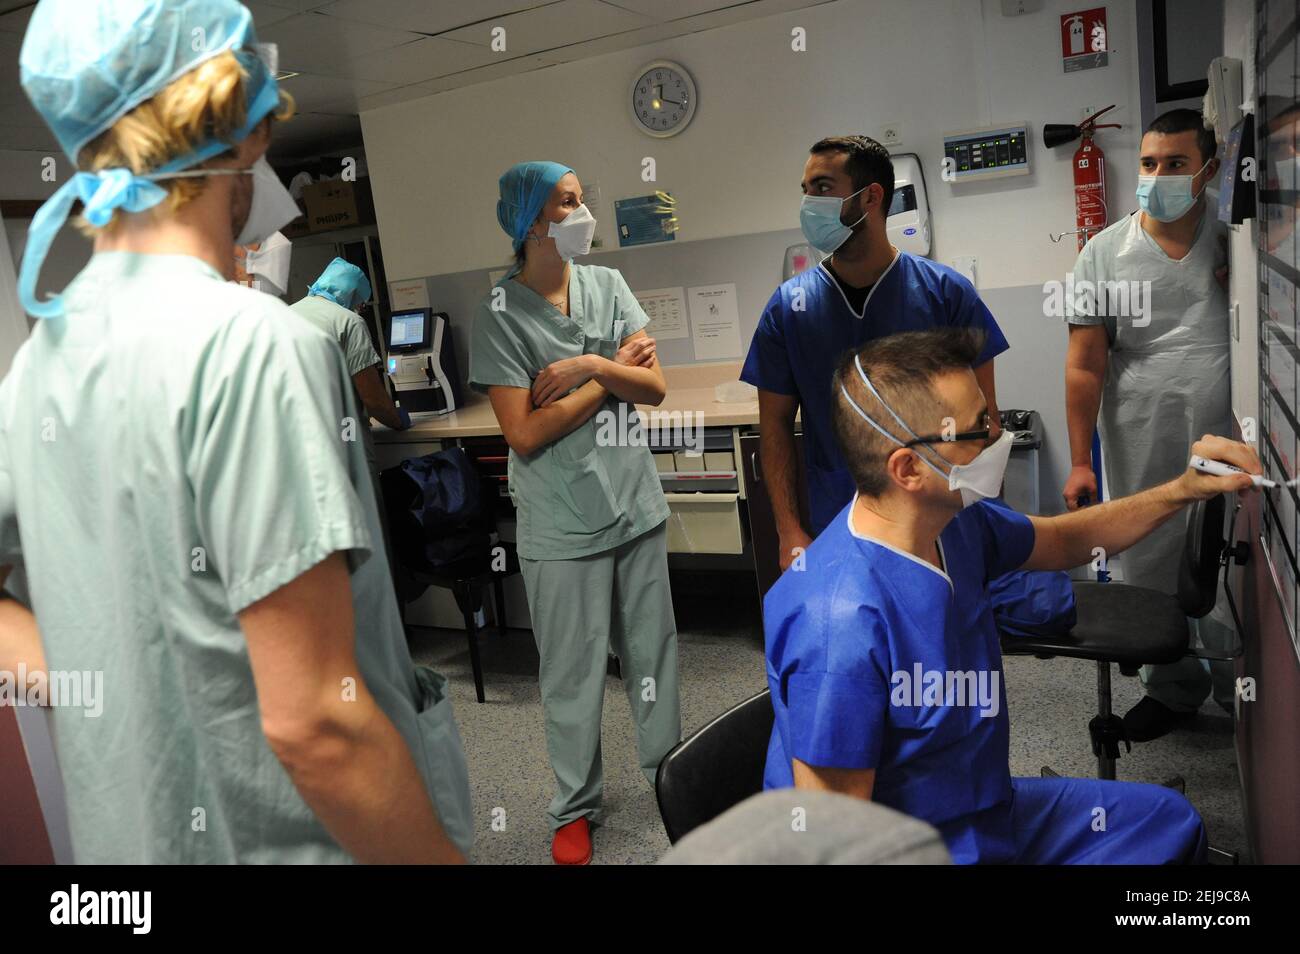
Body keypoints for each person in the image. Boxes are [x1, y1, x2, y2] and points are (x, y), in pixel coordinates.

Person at [0, 0, 471, 863]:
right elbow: (317, 723)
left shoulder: (39, 362)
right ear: (240, 123)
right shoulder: (255, 347)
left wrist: (105, 675)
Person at [763, 328, 1255, 864]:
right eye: (978, 429)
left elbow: (1064, 538)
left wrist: (1184, 488)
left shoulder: (953, 520)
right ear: (907, 468)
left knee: (1171, 824)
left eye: (991, 417)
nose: (998, 437)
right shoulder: (838, 624)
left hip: (980, 807)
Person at [468, 160, 680, 864]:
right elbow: (525, 433)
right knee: (573, 674)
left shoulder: (606, 283)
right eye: (568, 203)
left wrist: (588, 368)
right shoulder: (500, 312)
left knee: (653, 658)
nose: (582, 214)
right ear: (533, 222)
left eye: (581, 200)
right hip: (563, 526)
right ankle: (575, 808)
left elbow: (650, 388)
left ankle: (671, 780)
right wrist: (608, 370)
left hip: (634, 509)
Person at [741, 135, 1009, 567]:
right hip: (837, 516)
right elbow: (773, 430)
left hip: (941, 518)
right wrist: (789, 529)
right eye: (806, 190)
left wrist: (980, 518)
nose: (809, 202)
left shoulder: (944, 294)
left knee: (942, 626)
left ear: (871, 197)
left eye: (823, 187)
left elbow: (986, 421)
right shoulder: (788, 309)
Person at [1063, 108, 1235, 741]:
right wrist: (1081, 460)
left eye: (1175, 164)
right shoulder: (1105, 252)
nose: (1157, 176)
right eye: (1148, 163)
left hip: (1231, 431)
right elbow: (1084, 364)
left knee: (1229, 558)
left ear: (1209, 169)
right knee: (1150, 554)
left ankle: (1238, 689)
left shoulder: (1236, 233)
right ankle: (1174, 687)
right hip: (1140, 430)